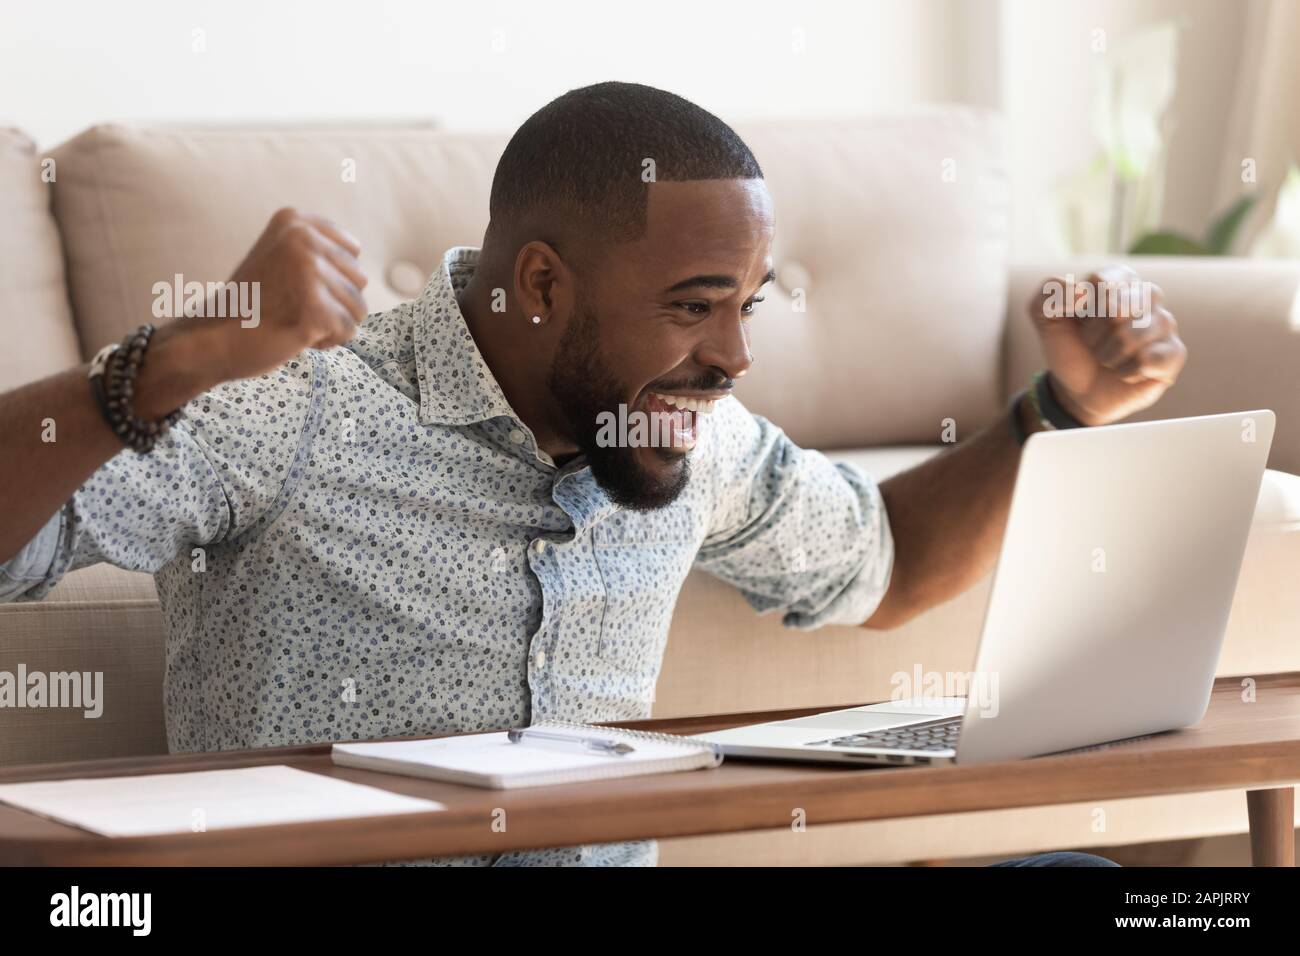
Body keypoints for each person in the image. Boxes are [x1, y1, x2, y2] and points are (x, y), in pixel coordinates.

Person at [0, 82, 1184, 866]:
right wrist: (175, 359)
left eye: (745, 304)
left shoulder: (691, 435)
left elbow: (887, 558)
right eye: (690, 308)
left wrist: (1058, 408)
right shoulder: (297, 409)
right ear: (545, 285)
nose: (733, 356)